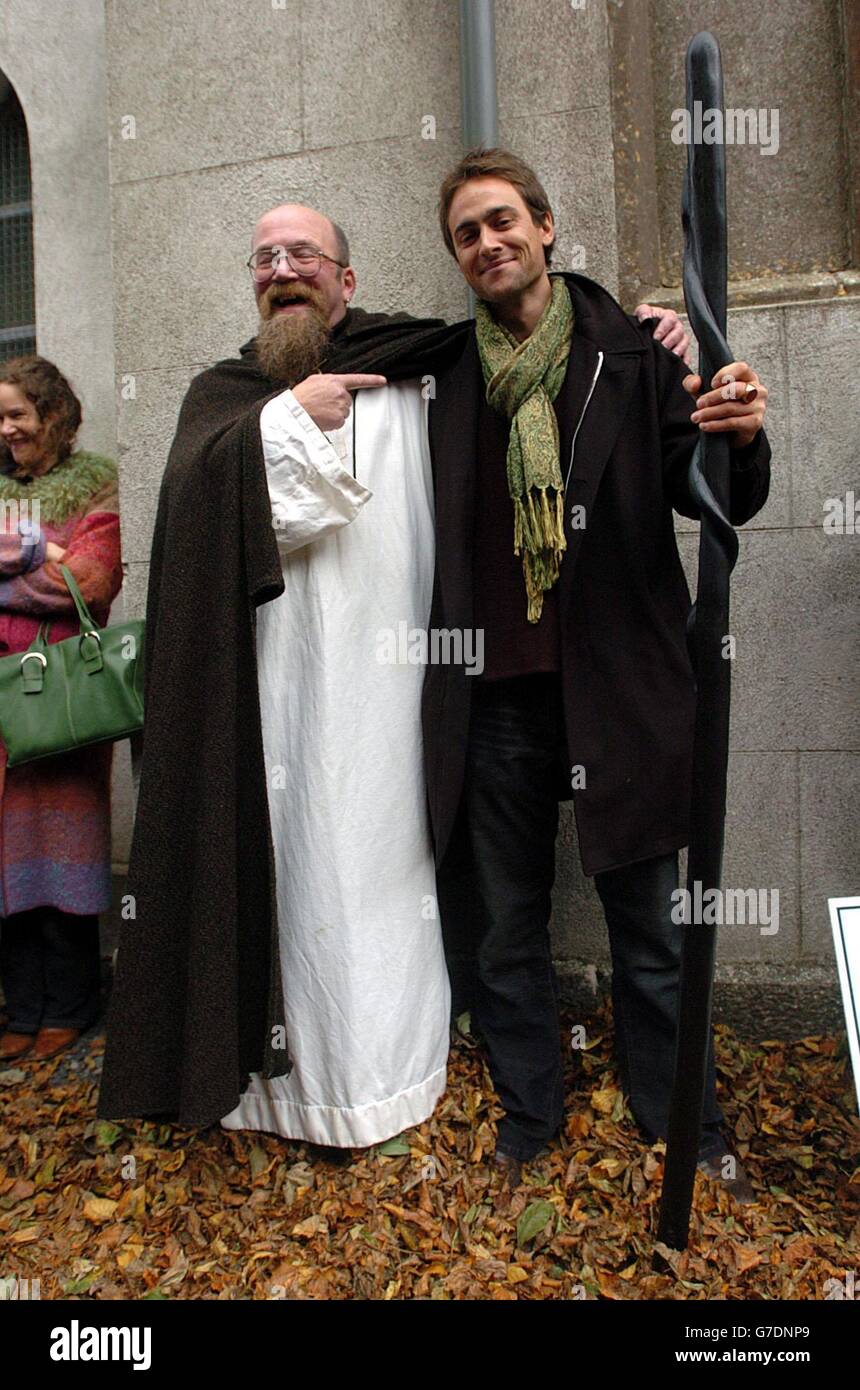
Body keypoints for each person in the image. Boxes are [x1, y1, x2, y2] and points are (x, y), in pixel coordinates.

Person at [97, 199, 688, 1151]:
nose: (283, 269)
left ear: (347, 277)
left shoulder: (421, 363)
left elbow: (555, 342)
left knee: (401, 888)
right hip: (271, 705)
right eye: (264, 257)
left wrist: (650, 328)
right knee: (344, 887)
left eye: (304, 254)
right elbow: (195, 511)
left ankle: (417, 1088)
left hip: (400, 709)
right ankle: (292, 1086)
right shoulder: (225, 390)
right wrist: (289, 417)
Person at [421, 148, 771, 1195]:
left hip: (616, 688)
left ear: (542, 226)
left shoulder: (636, 349)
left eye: (499, 222)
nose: (486, 243)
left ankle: (684, 1123)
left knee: (652, 932)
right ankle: (532, 1115)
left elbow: (713, 492)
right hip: (494, 700)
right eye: (465, 234)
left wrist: (740, 434)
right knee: (504, 928)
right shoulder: (443, 373)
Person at [0, 356, 123, 1062]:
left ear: (52, 414)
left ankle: (72, 1004)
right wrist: (33, 549)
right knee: (7, 858)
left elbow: (89, 578)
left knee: (62, 847)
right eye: (1, 417)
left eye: (19, 413)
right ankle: (22, 1005)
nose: (8, 428)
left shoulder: (95, 482)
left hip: (63, 696)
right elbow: (51, 570)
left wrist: (21, 571)